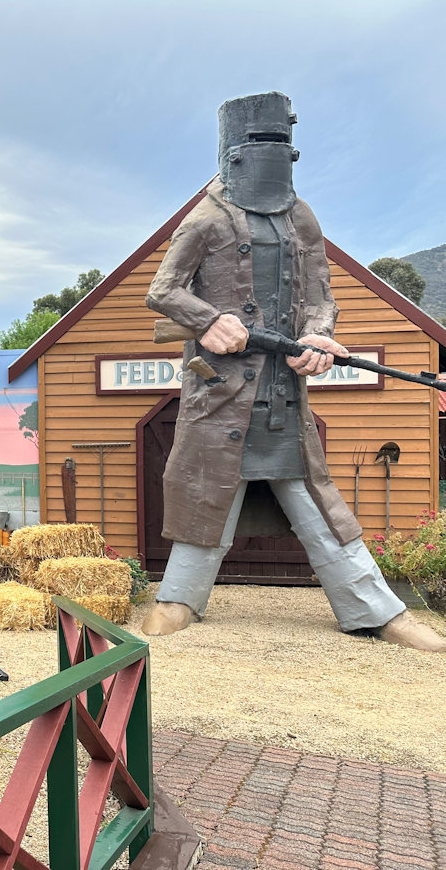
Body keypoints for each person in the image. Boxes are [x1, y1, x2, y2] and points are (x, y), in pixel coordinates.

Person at [143, 92, 445, 652]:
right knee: (207, 490)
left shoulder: (300, 216)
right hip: (218, 396)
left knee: (318, 499)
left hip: (285, 393)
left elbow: (320, 295)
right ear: (232, 153)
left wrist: (319, 335)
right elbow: (162, 292)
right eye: (262, 144)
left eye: (282, 144)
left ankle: (373, 608)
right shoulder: (205, 219)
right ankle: (179, 597)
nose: (273, 156)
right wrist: (208, 321)